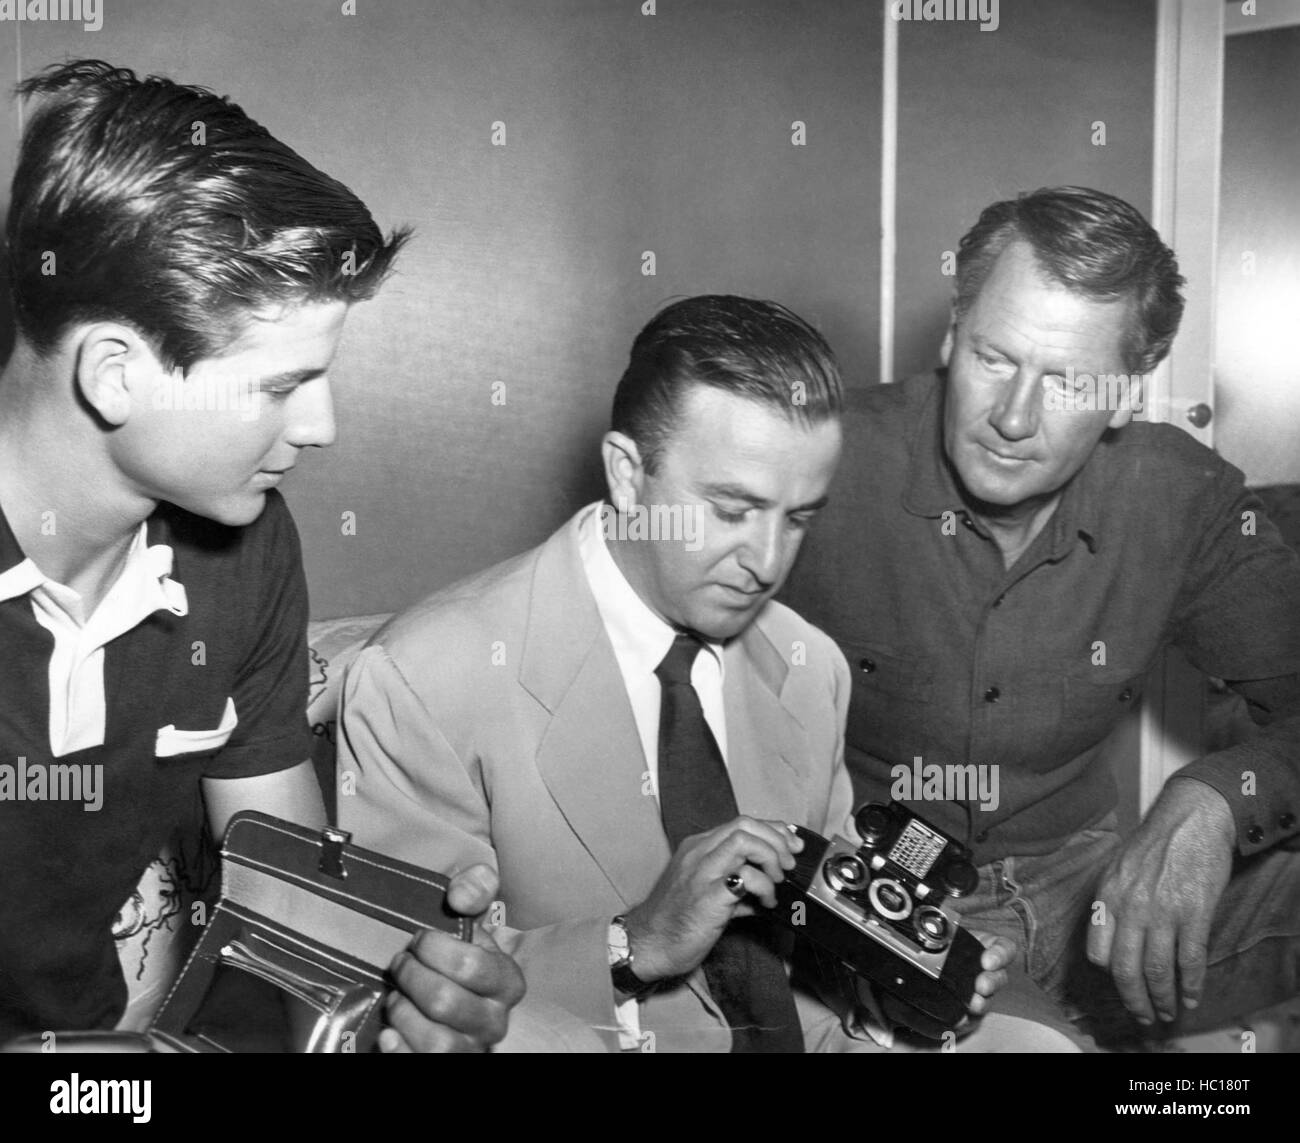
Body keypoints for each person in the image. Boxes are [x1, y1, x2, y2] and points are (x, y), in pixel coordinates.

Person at [337, 294, 1077, 1052]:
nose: (767, 564)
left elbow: (819, 947)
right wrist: (635, 943)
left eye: (798, 518)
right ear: (628, 475)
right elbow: (397, 1001)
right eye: (731, 510)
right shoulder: (426, 679)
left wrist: (899, 979)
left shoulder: (807, 664)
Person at [0, 59, 524, 1052]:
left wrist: (399, 999)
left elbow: (284, 896)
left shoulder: (246, 548)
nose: (322, 426)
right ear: (115, 373)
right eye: (282, 385)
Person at [780, 186, 1300, 1046]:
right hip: (887, 904)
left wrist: (1212, 798)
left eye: (1065, 381)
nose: (1013, 419)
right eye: (993, 359)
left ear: (1128, 397)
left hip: (1092, 887)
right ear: (952, 335)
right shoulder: (820, 463)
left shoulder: (1182, 496)